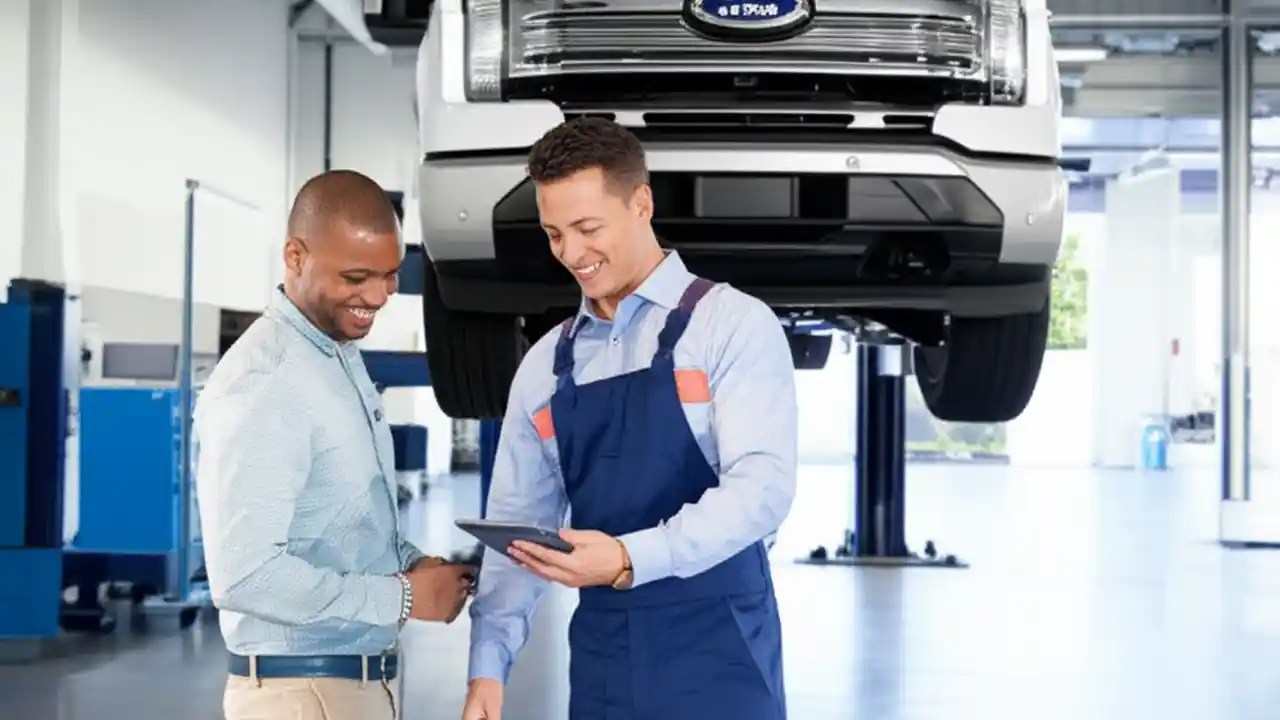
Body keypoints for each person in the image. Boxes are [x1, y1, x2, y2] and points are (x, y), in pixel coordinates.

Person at [461, 117, 798, 720]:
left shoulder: (731, 326)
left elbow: (762, 491)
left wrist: (626, 557)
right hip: (604, 664)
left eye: (588, 228)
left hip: (722, 658)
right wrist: (488, 669)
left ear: (641, 203)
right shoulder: (546, 367)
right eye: (554, 233)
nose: (571, 253)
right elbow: (519, 527)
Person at [195, 169, 475, 720]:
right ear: (295, 257)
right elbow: (246, 576)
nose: (376, 296)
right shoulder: (267, 382)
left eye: (390, 276)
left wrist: (419, 568)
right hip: (301, 696)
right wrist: (407, 598)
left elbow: (341, 530)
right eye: (355, 277)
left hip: (346, 688)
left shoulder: (333, 357)